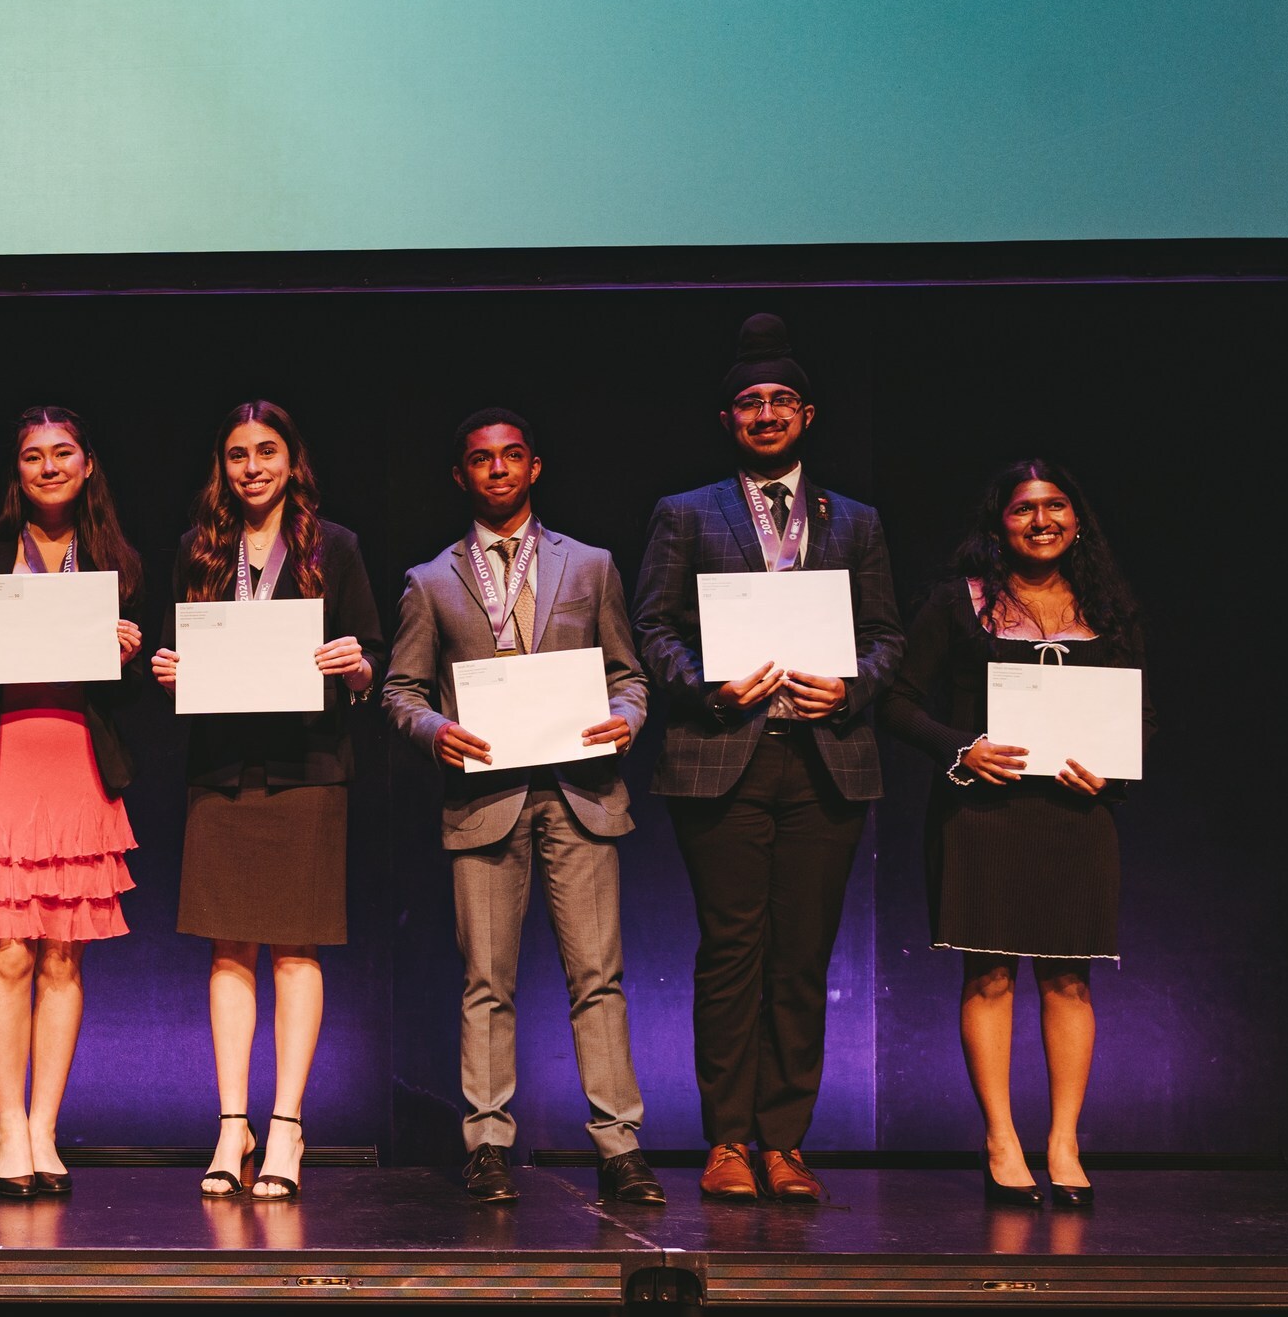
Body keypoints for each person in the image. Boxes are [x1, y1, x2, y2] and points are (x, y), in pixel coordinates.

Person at [634, 314, 903, 1204]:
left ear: (808, 415)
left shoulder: (854, 521)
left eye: (781, 400)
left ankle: (785, 1143)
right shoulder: (686, 513)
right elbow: (652, 629)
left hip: (825, 760)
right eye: (749, 402)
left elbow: (887, 638)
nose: (765, 414)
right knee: (731, 952)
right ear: (728, 420)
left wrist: (851, 690)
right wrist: (708, 689)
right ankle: (727, 1140)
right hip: (724, 756)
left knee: (802, 958)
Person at [382, 409, 663, 1207]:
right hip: (486, 798)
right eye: (482, 459)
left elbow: (629, 675)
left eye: (512, 457)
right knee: (487, 981)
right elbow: (401, 690)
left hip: (581, 794)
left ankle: (619, 1146)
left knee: (598, 978)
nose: (498, 469)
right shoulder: (431, 581)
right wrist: (433, 729)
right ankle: (487, 1145)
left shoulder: (592, 565)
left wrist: (628, 717)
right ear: (461, 475)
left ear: (535, 467)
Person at [880, 461, 1144, 1208]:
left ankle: (1063, 1143)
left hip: (1077, 818)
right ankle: (1000, 1138)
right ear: (998, 525)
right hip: (984, 815)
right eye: (1024, 509)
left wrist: (1112, 776)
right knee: (990, 975)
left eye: (1055, 506)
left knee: (1070, 979)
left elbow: (1141, 712)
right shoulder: (958, 603)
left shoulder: (1107, 607)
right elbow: (896, 701)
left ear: (1077, 521)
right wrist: (961, 748)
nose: (1041, 520)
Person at [148, 402, 379, 1200]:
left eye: (267, 451)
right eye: (238, 454)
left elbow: (370, 659)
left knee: (296, 948)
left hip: (307, 765)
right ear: (223, 466)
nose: (253, 467)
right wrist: (169, 672)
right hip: (223, 770)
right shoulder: (198, 550)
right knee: (227, 948)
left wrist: (355, 665)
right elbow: (176, 649)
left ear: (292, 461)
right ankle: (231, 1125)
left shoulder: (333, 546)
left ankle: (286, 1126)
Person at [0, 406, 145, 1199]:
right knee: (9, 952)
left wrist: (126, 655)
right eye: (32, 456)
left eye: (62, 453)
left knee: (62, 953)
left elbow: (134, 690)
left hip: (77, 762)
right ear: (16, 471)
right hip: (3, 764)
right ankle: (8, 1125)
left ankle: (47, 1127)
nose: (48, 467)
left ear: (87, 466)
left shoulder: (117, 560)